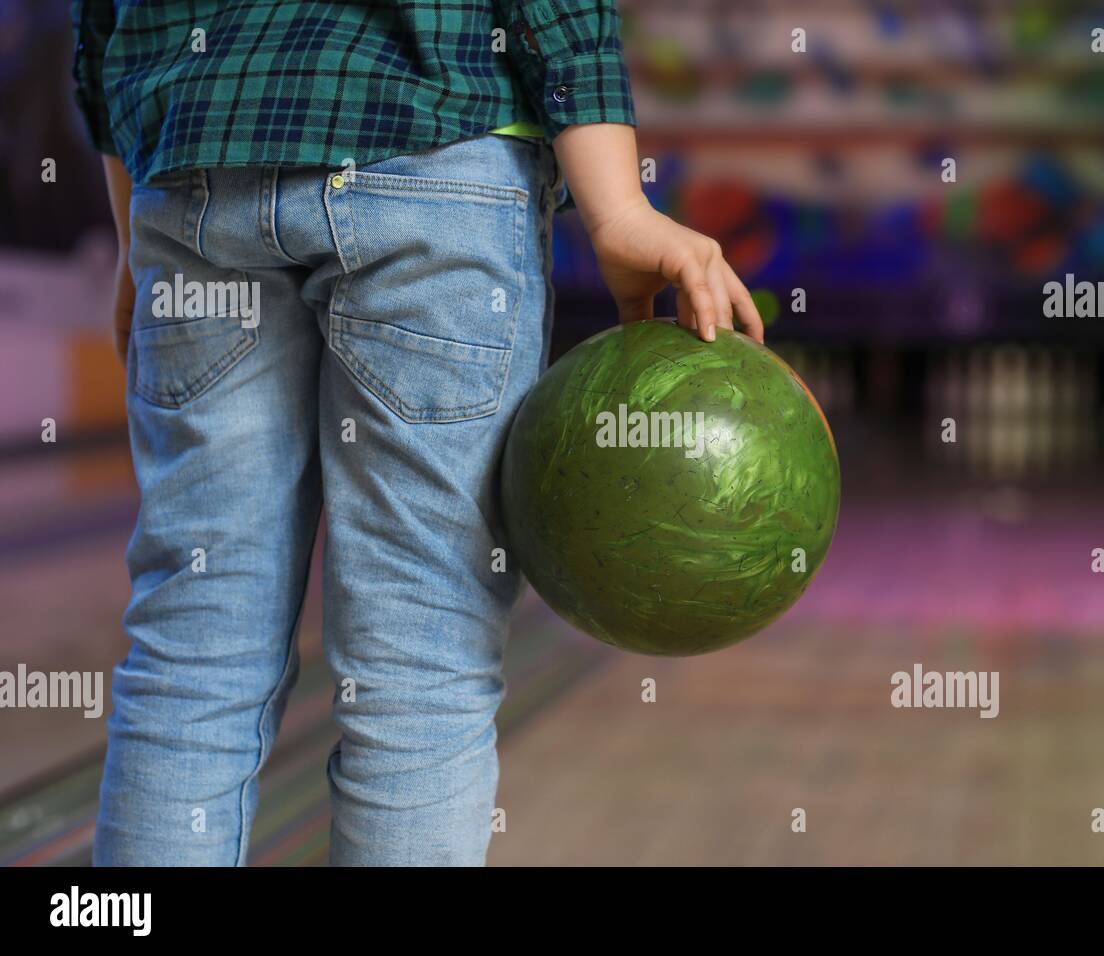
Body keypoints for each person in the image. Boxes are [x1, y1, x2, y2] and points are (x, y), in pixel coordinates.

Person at [71, 0, 763, 866]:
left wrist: (131, 216)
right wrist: (616, 206)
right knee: (418, 674)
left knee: (191, 654)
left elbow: (100, 25)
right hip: (436, 156)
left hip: (195, 173)